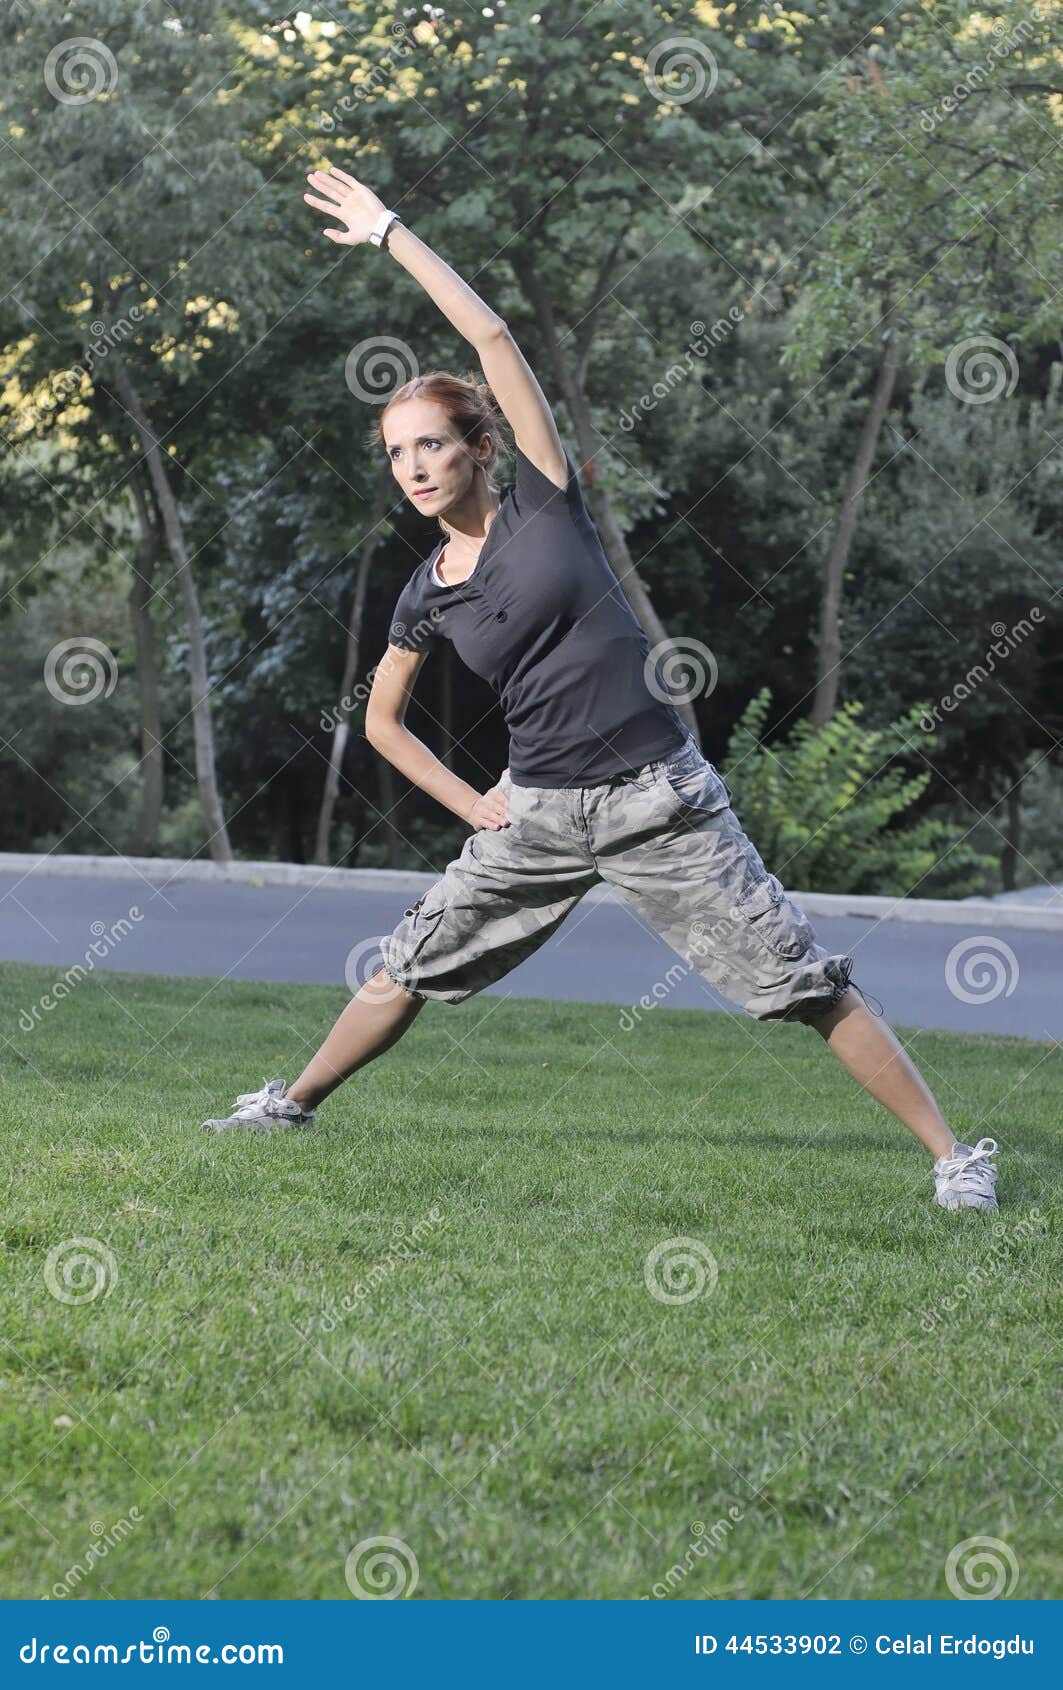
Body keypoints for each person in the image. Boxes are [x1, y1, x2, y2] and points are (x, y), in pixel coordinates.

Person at [201, 166, 1000, 1217]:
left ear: (480, 445)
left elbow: (490, 341)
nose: (414, 466)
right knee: (407, 966)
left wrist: (392, 233)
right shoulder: (424, 591)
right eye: (397, 454)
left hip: (654, 798)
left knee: (799, 981)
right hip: (534, 814)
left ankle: (955, 1158)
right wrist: (472, 804)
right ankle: (291, 1104)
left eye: (432, 442)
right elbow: (381, 724)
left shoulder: (542, 500)